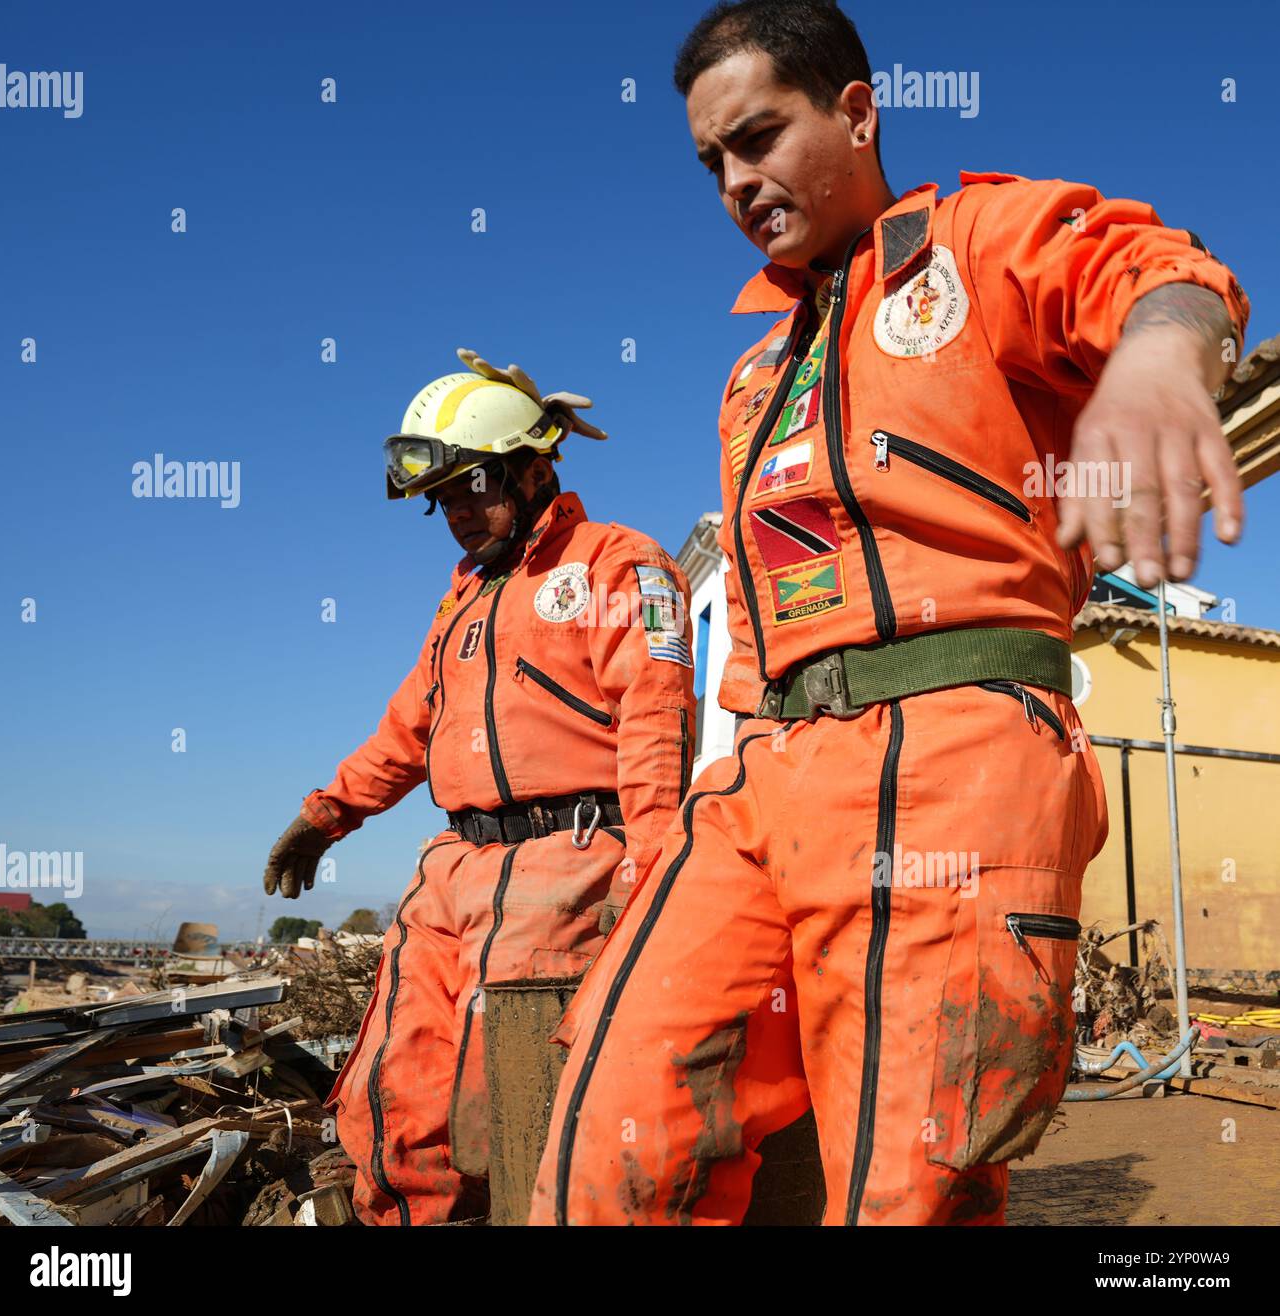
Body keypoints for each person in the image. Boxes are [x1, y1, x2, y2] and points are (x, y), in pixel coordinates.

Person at [530, 0, 1249, 1226]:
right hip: (759, 780)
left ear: (857, 111)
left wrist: (1155, 358)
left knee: (907, 1176)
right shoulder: (752, 375)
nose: (735, 181)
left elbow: (1161, 275)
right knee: (617, 1111)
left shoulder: (977, 241)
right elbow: (751, 617)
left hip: (959, 750)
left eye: (759, 136)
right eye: (711, 161)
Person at [262, 348, 696, 1224]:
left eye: (474, 488)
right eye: (445, 498)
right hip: (453, 872)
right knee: (396, 1084)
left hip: (569, 869)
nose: (457, 513)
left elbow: (656, 719)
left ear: (536, 469)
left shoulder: (619, 565)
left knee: (504, 1106)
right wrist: (326, 814)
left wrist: (652, 871)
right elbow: (409, 729)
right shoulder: (463, 597)